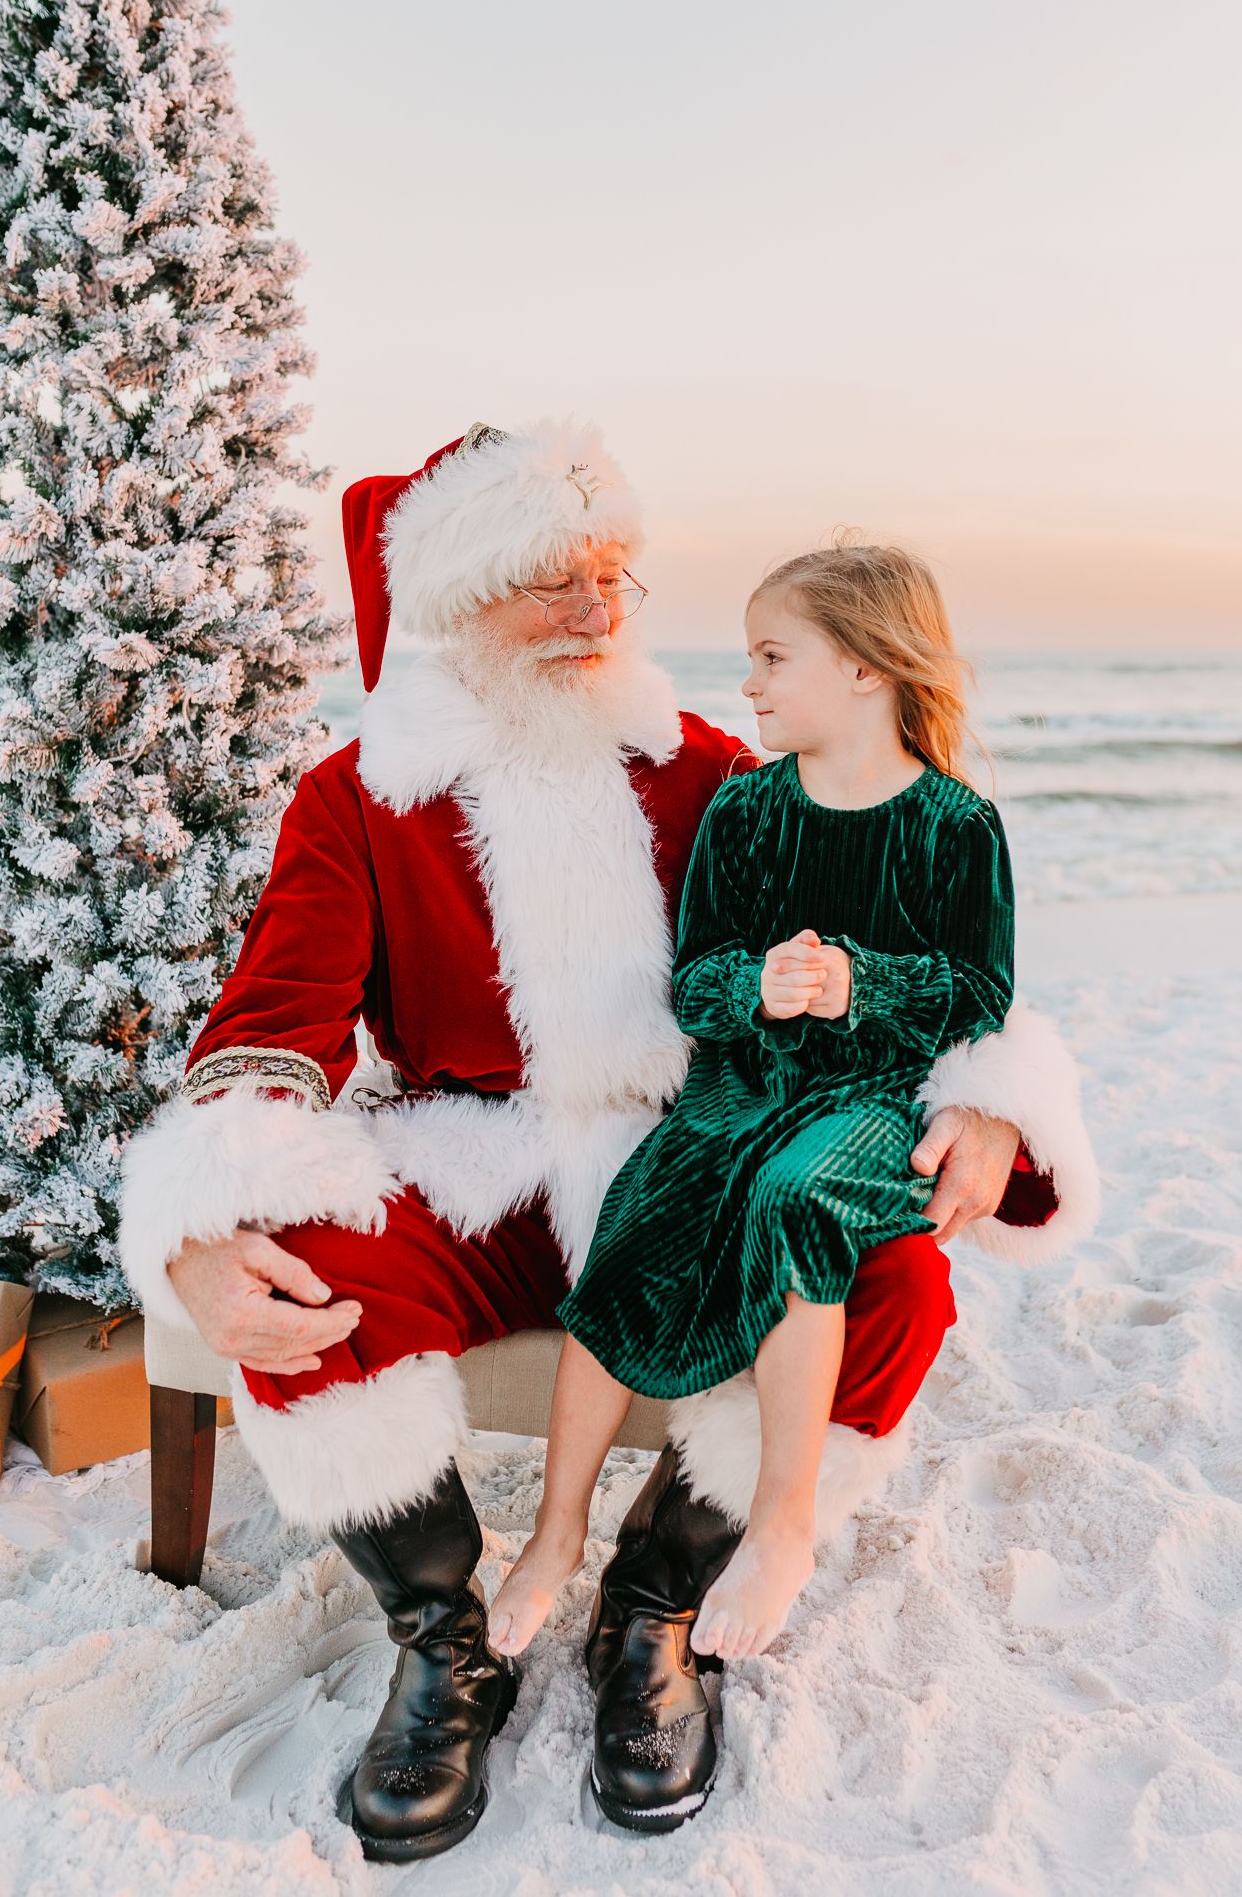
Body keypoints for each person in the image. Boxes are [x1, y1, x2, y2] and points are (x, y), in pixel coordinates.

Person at [118, 420, 1098, 1863]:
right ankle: (445, 1638)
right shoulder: (356, 800)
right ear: (454, 600)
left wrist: (986, 1096)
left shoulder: (714, 769)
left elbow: (926, 947)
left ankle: (655, 1607)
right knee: (300, 1272)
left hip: (693, 1148)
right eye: (552, 583)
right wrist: (201, 1224)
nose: (603, 615)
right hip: (474, 1158)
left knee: (889, 1276)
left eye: (616, 577)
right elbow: (274, 1027)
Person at [488, 543, 1015, 1671]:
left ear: (869, 666)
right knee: (638, 1213)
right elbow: (696, 978)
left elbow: (980, 993)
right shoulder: (745, 810)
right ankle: (556, 1528)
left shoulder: (957, 826)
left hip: (873, 1101)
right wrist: (758, 984)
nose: (751, 683)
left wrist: (861, 981)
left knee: (791, 1193)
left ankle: (781, 1523)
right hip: (741, 1087)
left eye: (774, 656)